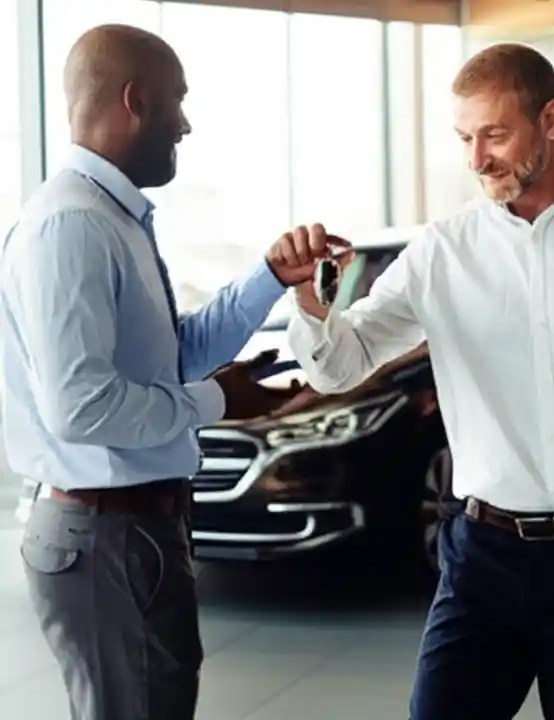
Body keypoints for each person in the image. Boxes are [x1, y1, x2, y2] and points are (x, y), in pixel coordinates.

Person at [279, 43, 554, 719]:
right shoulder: (443, 251)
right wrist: (308, 303)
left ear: (551, 120)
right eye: (464, 138)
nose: (476, 160)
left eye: (495, 135)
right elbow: (338, 366)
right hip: (481, 557)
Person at [0, 24, 328, 720]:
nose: (185, 122)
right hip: (105, 537)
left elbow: (171, 355)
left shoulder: (112, 219)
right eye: (178, 101)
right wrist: (215, 402)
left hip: (133, 532)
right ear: (135, 100)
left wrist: (271, 276)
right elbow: (80, 409)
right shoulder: (72, 225)